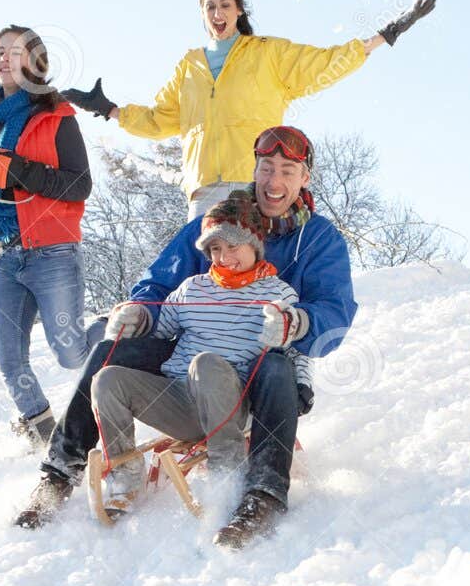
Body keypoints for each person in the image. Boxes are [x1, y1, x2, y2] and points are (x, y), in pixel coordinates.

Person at [15, 125, 355, 550]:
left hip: (258, 371)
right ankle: (59, 471)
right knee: (110, 349)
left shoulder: (319, 241)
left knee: (275, 364)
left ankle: (263, 494)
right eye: (267, 167)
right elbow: (162, 284)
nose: (275, 180)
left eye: (289, 170)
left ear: (305, 178)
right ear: (255, 167)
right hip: (193, 360)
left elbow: (334, 312)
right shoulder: (217, 223)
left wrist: (298, 323)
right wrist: (140, 311)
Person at [63, 0, 436, 217]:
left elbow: (325, 63)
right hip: (203, 189)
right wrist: (109, 108)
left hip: (254, 184)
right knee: (207, 283)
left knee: (250, 275)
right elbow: (161, 120)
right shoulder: (189, 65)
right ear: (202, 14)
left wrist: (384, 36)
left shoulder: (266, 53)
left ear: (239, 10)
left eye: (225, 4)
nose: (218, 12)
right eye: (210, 6)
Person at [92, 191, 310, 520]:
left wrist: (303, 385)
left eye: (232, 246)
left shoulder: (278, 292)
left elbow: (295, 351)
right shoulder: (192, 288)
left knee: (205, 363)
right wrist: (137, 317)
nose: (223, 257)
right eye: (215, 249)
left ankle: (227, 468)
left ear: (255, 244)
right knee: (107, 379)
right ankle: (125, 473)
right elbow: (159, 327)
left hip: (234, 403)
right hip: (180, 402)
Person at [0, 25, 93, 449]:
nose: (5, 58)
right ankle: (47, 438)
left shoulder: (55, 115)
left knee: (72, 352)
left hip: (52, 251)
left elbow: (79, 184)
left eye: (15, 51)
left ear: (35, 62)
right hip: (3, 255)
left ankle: (120, 333)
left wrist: (19, 171)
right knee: (8, 359)